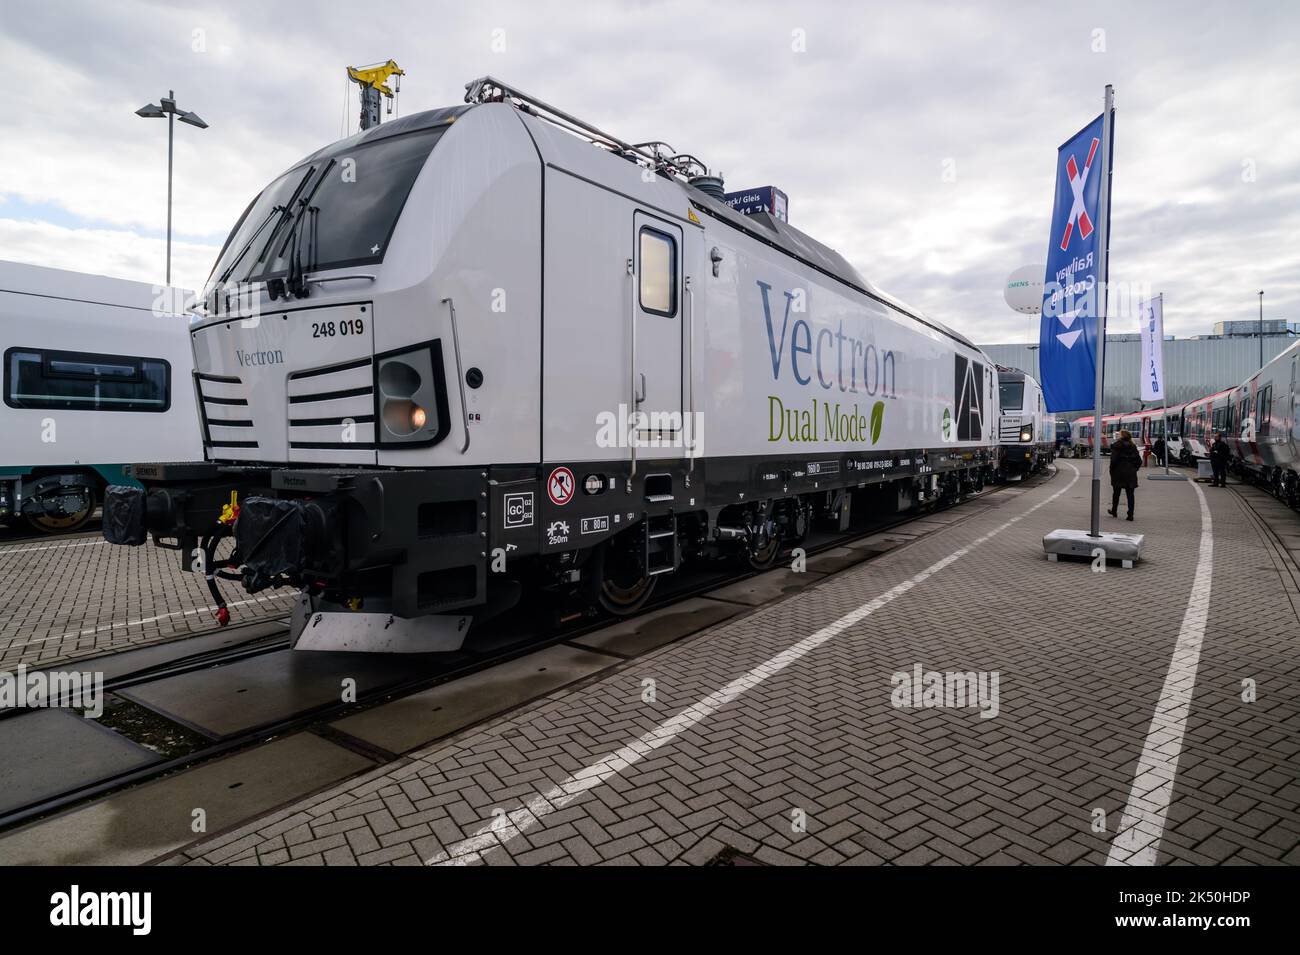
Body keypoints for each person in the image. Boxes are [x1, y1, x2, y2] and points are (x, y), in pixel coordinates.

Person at [1108, 428, 1142, 521]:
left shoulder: (1116, 446)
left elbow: (1113, 460)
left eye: (1119, 434)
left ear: (1122, 436)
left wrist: (1111, 470)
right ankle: (1130, 514)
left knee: (1116, 493)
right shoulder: (1133, 447)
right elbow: (1139, 461)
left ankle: (1114, 510)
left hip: (1118, 473)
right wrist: (1134, 469)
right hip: (1130, 473)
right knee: (1130, 494)